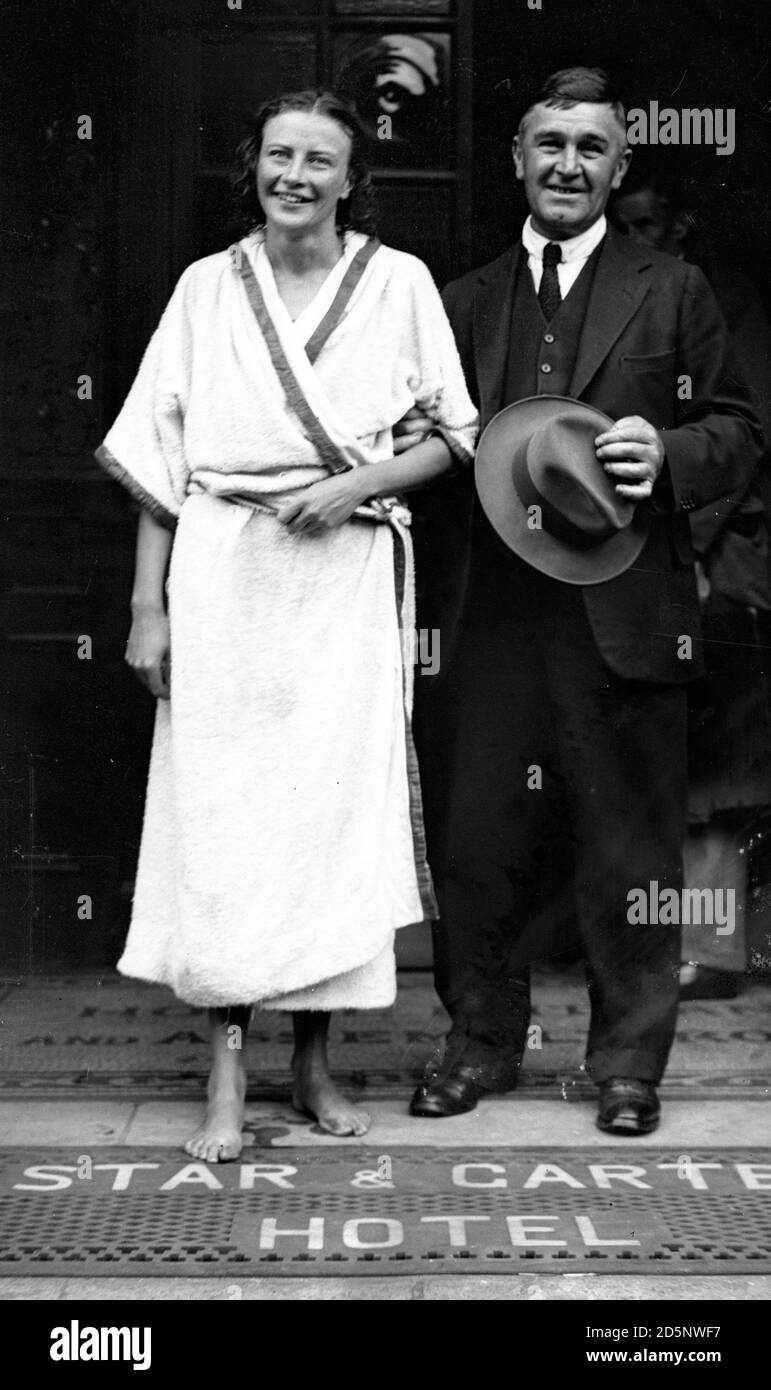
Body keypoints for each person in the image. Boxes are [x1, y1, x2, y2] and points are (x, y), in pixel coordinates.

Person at [95, 89, 477, 1159]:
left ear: (354, 179)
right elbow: (158, 466)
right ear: (251, 166)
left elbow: (455, 434)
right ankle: (225, 1070)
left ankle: (314, 1063)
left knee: (326, 820)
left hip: (342, 578)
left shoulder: (397, 284)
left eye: (320, 160)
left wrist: (357, 488)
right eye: (278, 155)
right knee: (228, 819)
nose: (295, 176)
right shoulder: (205, 290)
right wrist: (145, 608)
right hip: (227, 574)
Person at [406, 66, 762, 1134]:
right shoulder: (457, 300)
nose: (569, 165)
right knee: (478, 843)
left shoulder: (674, 289)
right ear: (519, 159)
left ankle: (627, 1066)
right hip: (490, 619)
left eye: (591, 148)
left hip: (626, 612)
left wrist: (671, 448)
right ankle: (479, 1043)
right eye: (551, 144)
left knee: (629, 851)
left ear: (620, 164)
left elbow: (741, 428)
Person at [612, 169, 771, 1000]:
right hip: (651, 564)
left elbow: (741, 437)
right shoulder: (629, 297)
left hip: (718, 563)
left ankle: (712, 950)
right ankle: (669, 941)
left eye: (646, 223)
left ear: (680, 226)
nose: (633, 239)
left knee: (717, 768)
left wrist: (694, 555)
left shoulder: (718, 297)